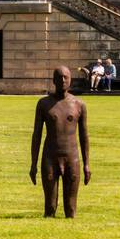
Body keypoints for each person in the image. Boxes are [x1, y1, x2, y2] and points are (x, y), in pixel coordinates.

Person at [29, 66, 90, 218]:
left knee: (70, 210)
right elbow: (36, 135)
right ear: (53, 80)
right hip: (50, 157)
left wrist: (87, 164)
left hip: (72, 158)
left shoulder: (79, 105)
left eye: (65, 77)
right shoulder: (44, 104)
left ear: (70, 80)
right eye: (59, 77)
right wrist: (33, 164)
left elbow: (84, 136)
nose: (62, 80)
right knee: (50, 208)